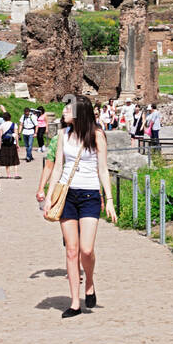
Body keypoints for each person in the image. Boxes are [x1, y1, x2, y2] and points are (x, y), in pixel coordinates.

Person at [43, 96, 117, 319]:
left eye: (67, 109)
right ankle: (75, 302)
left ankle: (90, 282)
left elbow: (103, 170)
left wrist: (110, 199)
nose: (63, 112)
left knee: (86, 249)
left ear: (79, 113)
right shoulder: (63, 135)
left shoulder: (96, 135)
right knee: (71, 250)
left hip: (89, 195)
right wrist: (48, 197)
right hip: (67, 195)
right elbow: (58, 168)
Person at [0, 109, 20, 179]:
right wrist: (17, 144)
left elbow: (0, 137)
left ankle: (8, 175)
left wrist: (0, 145)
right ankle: (16, 174)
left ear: (3, 118)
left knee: (7, 159)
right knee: (15, 158)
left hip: (5, 144)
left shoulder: (1, 125)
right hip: (12, 143)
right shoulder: (14, 125)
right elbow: (16, 135)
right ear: (10, 117)